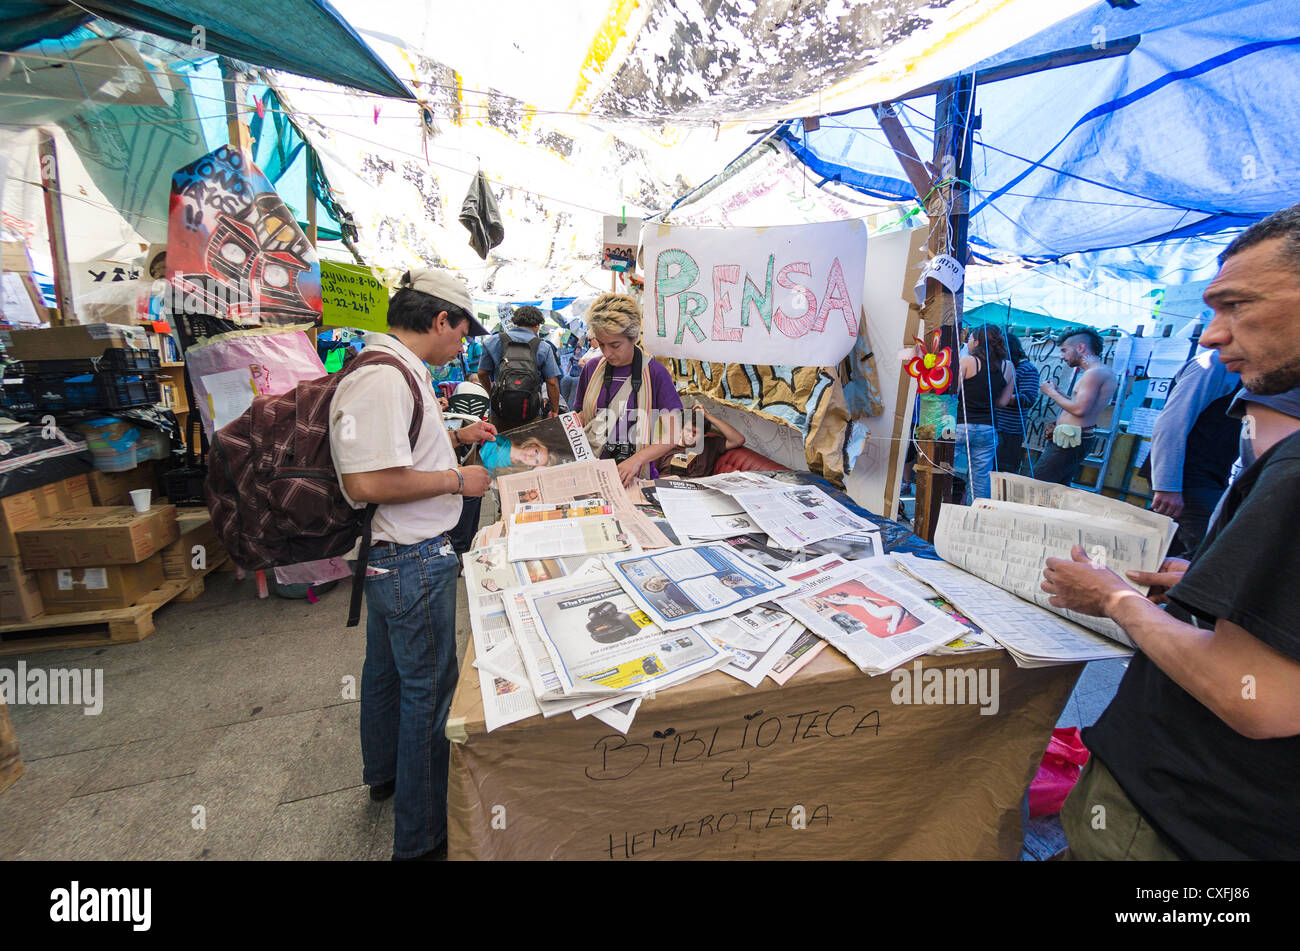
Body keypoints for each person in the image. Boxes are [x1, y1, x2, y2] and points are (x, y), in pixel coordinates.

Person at [1042, 203, 1300, 860]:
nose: (1212, 336)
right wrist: (1214, 589)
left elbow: (1259, 697)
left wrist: (1113, 599)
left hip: (1187, 820)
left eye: (1236, 305)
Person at [328, 268, 497, 861]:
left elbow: (396, 449)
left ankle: (386, 775)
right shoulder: (383, 377)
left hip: (392, 558)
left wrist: (455, 435)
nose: (464, 343)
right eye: (462, 331)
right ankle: (422, 839)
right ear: (439, 320)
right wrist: (459, 479)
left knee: (388, 673)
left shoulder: (398, 370)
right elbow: (368, 477)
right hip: (408, 560)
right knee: (428, 693)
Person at [576, 293, 683, 486]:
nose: (607, 353)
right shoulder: (591, 369)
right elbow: (583, 416)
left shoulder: (655, 373)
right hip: (592, 471)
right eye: (601, 344)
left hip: (637, 476)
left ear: (634, 337)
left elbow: (673, 433)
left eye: (615, 345)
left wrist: (637, 459)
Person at [1147, 349, 1240, 556]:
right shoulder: (1215, 363)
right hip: (1188, 479)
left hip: (1213, 476)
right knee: (1211, 554)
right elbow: (1171, 422)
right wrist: (1167, 486)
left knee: (1167, 555)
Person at [1035, 328, 1117, 486]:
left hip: (1071, 440)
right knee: (1056, 489)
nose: (1062, 356)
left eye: (1064, 350)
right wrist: (1060, 394)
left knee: (1038, 486)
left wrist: (1052, 393)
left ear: (1080, 348)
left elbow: (1080, 410)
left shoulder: (1094, 373)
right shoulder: (1100, 371)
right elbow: (1081, 406)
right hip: (1073, 438)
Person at [953, 324, 1014, 502]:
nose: (969, 341)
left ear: (978, 341)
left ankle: (942, 511)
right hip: (988, 427)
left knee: (946, 470)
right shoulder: (1008, 366)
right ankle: (978, 515)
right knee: (981, 479)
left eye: (971, 338)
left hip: (959, 425)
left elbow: (953, 394)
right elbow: (1003, 402)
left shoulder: (966, 362)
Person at [476, 304, 562, 428]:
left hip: (499, 412)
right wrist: (554, 410)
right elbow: (552, 382)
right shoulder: (544, 347)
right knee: (529, 446)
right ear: (537, 325)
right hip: (530, 412)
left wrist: (492, 394)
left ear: (515, 321)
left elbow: (482, 373)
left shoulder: (492, 341)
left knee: (500, 446)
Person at [993, 332, 1040, 475]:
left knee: (1002, 474)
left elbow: (1028, 399)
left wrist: (1002, 397)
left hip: (1009, 432)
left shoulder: (1027, 369)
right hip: (993, 428)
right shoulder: (999, 367)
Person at [675, 407, 745, 477]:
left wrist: (707, 416)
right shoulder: (670, 446)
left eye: (696, 432)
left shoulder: (710, 444)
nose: (691, 436)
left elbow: (738, 440)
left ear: (703, 434)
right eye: (688, 430)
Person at [477, 434, 549, 472]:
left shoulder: (512, 468)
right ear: (533, 444)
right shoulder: (504, 442)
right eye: (536, 452)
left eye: (536, 461)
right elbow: (479, 452)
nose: (531, 457)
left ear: (533, 466)